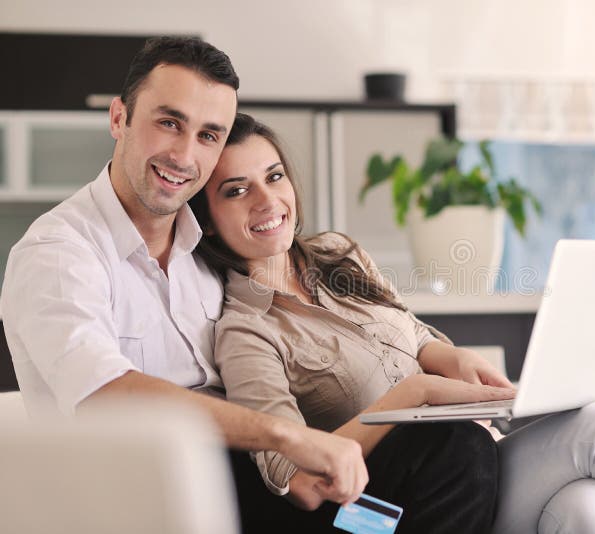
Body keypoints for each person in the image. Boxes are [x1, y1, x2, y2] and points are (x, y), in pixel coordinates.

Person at [190, 113, 595, 533]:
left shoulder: (338, 253)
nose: (265, 200)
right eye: (237, 191)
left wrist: (449, 357)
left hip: (476, 461)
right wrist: (411, 395)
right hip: (404, 504)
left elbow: (411, 331)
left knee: (591, 512)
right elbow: (294, 480)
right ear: (207, 219)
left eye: (274, 176)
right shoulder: (245, 330)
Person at [0, 37, 368, 517]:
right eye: (169, 123)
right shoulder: (58, 252)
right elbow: (102, 393)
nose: (184, 155)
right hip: (139, 507)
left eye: (209, 135)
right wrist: (284, 435)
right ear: (119, 119)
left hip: (256, 491)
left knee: (401, 501)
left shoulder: (211, 250)